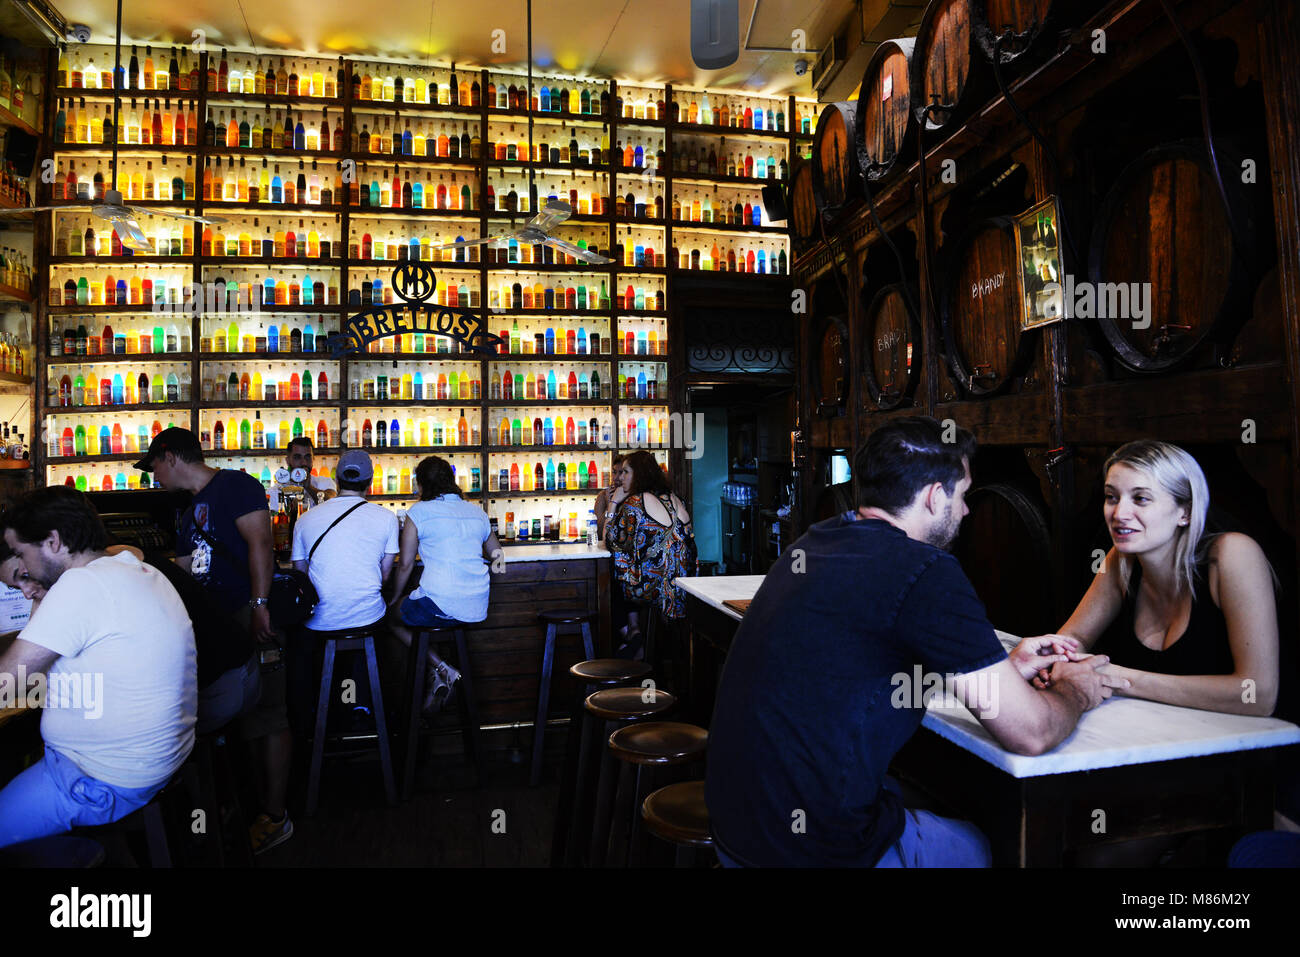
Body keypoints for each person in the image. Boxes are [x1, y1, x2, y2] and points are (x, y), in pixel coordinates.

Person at [705, 416, 1125, 867]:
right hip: (809, 850)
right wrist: (1076, 691)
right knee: (998, 846)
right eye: (962, 495)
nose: (966, 511)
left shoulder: (815, 543)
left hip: (736, 828)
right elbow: (1032, 733)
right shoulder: (924, 569)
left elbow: (856, 665)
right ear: (933, 496)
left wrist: (1003, 665)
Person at [0, 487, 196, 847]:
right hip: (157, 764)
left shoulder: (81, 585)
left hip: (98, 782)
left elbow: (6, 685)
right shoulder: (134, 568)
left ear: (53, 541)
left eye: (20, 553)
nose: (22, 568)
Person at [136, 426, 292, 854]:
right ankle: (240, 808)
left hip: (249, 612)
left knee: (268, 715)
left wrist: (260, 604)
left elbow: (261, 543)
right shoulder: (187, 514)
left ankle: (276, 817)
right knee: (235, 717)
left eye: (153, 467)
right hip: (218, 624)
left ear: (169, 456)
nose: (154, 477)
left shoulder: (236, 486)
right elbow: (185, 575)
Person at [1038, 440, 1280, 716]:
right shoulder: (1120, 559)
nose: (1119, 514)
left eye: (1140, 498)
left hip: (1245, 747)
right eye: (1111, 497)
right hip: (1156, 736)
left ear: (1185, 512)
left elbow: (1258, 695)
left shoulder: (1232, 553)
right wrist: (1052, 661)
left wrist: (1115, 679)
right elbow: (1075, 637)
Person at [1, 542, 257, 737]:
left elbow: (21, 673)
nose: (26, 593)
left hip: (218, 690)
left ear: (47, 548)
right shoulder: (119, 557)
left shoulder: (89, 583)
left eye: (24, 575)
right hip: (242, 672)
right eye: (16, 588)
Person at [289, 450, 398, 731]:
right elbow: (386, 575)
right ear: (370, 482)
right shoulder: (386, 519)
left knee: (302, 641)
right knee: (383, 623)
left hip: (319, 623)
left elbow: (300, 576)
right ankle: (365, 706)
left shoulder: (305, 520)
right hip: (368, 619)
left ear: (336, 480)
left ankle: (323, 714)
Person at [386, 456, 502, 713]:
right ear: (451, 481)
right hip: (476, 608)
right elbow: (498, 556)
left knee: (391, 618)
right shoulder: (476, 512)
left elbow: (405, 564)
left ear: (422, 485)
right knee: (427, 609)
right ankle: (437, 677)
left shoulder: (418, 513)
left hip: (439, 604)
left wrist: (394, 598)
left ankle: (442, 668)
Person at [603, 450, 696, 657]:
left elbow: (609, 540)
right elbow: (690, 542)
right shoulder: (674, 499)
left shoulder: (635, 502)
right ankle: (641, 642)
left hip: (652, 590)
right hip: (681, 590)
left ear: (639, 474)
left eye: (626, 472)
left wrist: (614, 502)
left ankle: (632, 636)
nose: (621, 478)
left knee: (615, 570)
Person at [279, 436, 337, 511]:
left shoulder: (324, 481)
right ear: (288, 461)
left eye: (307, 457)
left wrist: (309, 487)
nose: (304, 462)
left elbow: (332, 502)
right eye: (297, 457)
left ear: (313, 459)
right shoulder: (278, 489)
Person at [593, 453, 627, 540]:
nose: (616, 477)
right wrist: (610, 505)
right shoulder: (603, 495)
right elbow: (598, 533)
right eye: (614, 472)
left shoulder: (634, 496)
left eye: (621, 472)